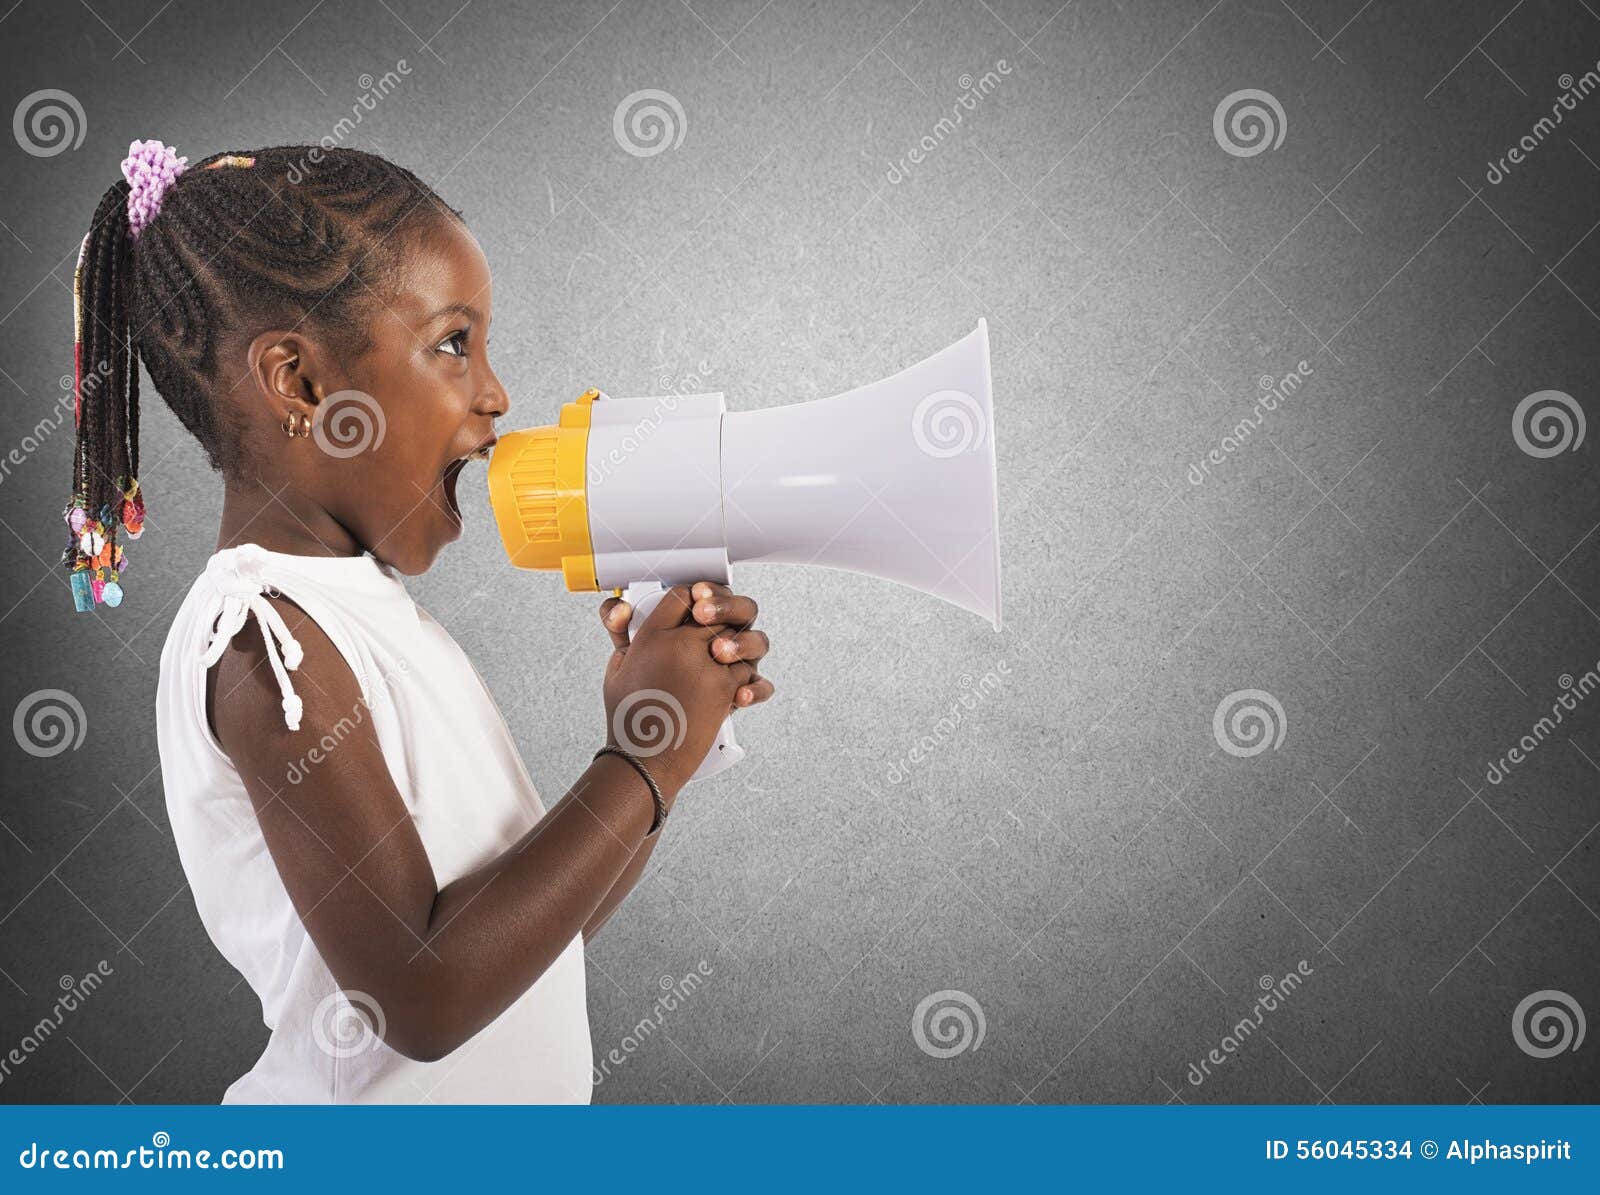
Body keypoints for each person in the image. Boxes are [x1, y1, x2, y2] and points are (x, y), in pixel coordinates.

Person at [65, 139, 772, 1103]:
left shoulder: (368, 614)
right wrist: (636, 768)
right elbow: (424, 997)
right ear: (304, 386)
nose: (496, 393)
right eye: (453, 343)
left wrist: (659, 747)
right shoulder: (268, 639)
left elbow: (524, 950)